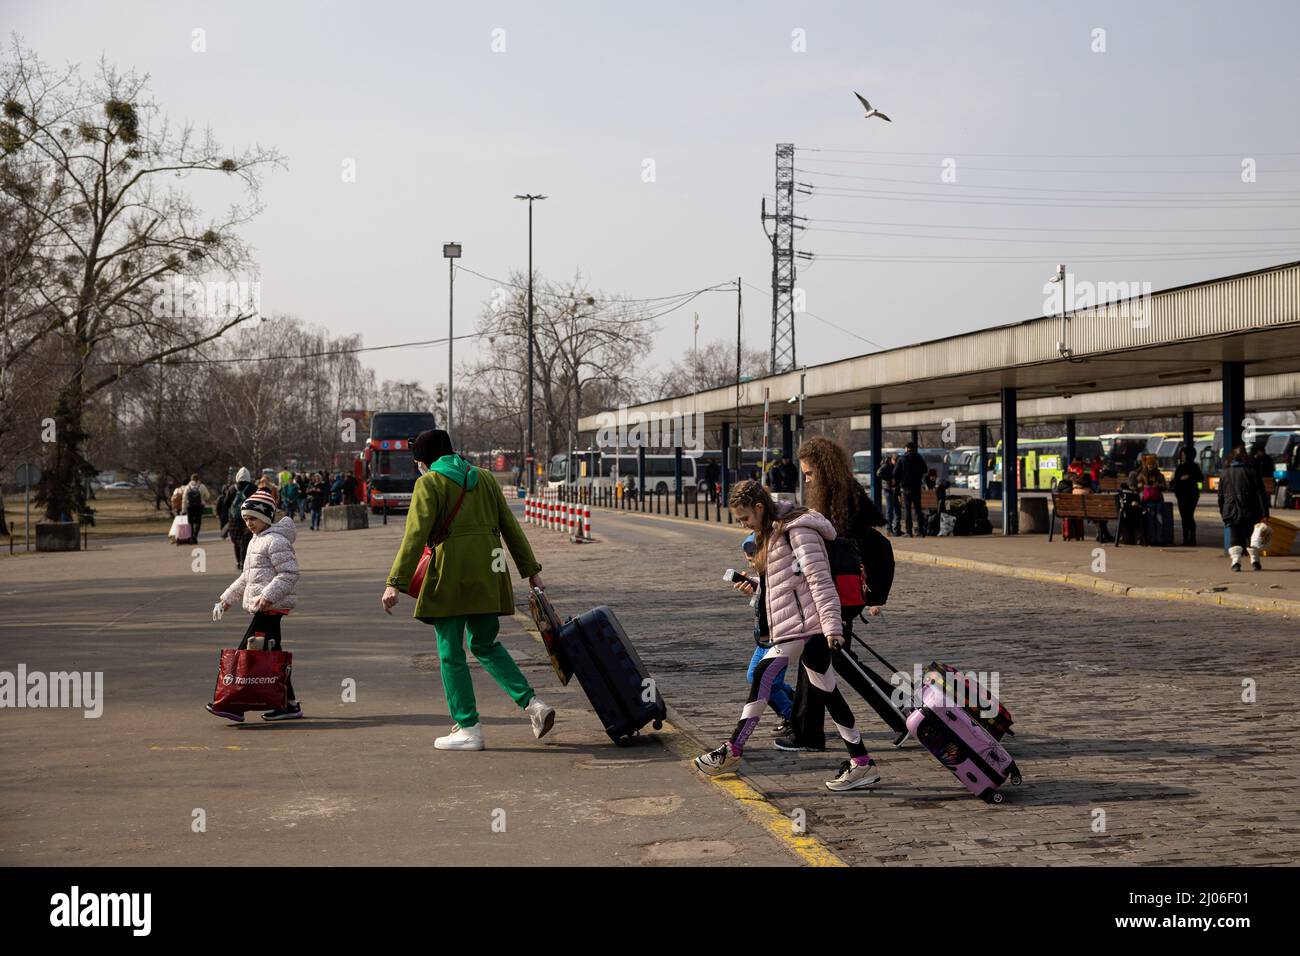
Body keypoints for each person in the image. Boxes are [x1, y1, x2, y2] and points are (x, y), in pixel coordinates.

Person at [694, 480, 880, 792]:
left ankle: (732, 750)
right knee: (828, 693)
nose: (743, 525)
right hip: (800, 625)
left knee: (764, 674)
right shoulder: (772, 533)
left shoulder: (798, 531)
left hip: (807, 626)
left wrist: (833, 627)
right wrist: (755, 586)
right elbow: (785, 583)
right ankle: (861, 762)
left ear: (758, 507)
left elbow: (819, 580)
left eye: (744, 518)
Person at [381, 429, 555, 750]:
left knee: (451, 653)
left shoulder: (429, 483)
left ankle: (468, 727)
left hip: (451, 573)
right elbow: (510, 527)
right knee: (486, 644)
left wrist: (396, 582)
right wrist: (531, 572)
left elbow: (415, 535)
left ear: (425, 460)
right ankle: (533, 705)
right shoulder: (486, 479)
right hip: (492, 570)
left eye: (419, 461)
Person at [779, 437, 902, 752]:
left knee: (829, 657)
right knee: (825, 658)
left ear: (822, 469)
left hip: (839, 591)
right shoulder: (841, 492)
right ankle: (808, 731)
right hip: (837, 590)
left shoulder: (842, 496)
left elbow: (841, 546)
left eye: (808, 474)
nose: (806, 480)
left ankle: (903, 715)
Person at [207, 487, 302, 722]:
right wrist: (226, 599)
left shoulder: (275, 541)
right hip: (263, 607)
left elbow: (289, 573)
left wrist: (268, 595)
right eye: (246, 518)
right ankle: (289, 704)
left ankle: (234, 703)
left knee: (248, 653)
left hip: (269, 608)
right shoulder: (255, 540)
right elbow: (246, 578)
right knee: (271, 656)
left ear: (266, 517)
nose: (249, 523)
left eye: (253, 518)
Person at [738, 533, 796, 736]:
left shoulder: (781, 572)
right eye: (749, 560)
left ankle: (792, 716)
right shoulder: (765, 576)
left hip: (779, 637)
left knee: (763, 679)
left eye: (754, 558)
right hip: (764, 640)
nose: (752, 563)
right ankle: (797, 700)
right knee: (760, 678)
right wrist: (753, 587)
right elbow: (764, 590)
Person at [1219, 444, 1269, 571]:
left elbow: (1221, 496)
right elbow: (1261, 494)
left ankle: (1236, 563)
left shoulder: (1225, 473)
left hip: (1231, 510)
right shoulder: (1252, 471)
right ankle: (1255, 562)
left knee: (1235, 537)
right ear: (1245, 456)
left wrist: (1223, 512)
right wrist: (1264, 513)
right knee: (1252, 538)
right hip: (1251, 510)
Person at [1171, 446, 1205, 546]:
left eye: (1184, 454)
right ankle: (1186, 538)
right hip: (1181, 495)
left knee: (1188, 516)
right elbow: (1176, 480)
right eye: (1181, 454)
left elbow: (1200, 478)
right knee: (1184, 517)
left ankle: (1192, 538)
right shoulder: (1180, 467)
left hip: (1191, 494)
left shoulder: (1194, 466)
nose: (1182, 456)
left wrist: (1189, 476)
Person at [225, 468, 256, 570]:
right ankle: (244, 562)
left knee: (236, 541)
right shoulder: (253, 488)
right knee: (246, 541)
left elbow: (226, 504)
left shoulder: (231, 489)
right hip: (248, 518)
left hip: (233, 519)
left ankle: (238, 562)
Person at [894, 442, 927, 537]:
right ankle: (921, 531)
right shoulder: (919, 457)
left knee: (907, 510)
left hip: (906, 488)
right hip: (916, 487)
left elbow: (895, 473)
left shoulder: (902, 458)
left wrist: (901, 479)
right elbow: (925, 469)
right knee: (918, 509)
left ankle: (909, 531)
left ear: (907, 448)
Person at [1136, 454, 1168, 546]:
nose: (1151, 466)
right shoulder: (1142, 474)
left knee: (1159, 519)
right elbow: (1136, 486)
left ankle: (1159, 539)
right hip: (1147, 500)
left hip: (1158, 499)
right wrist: (1144, 486)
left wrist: (1158, 485)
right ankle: (1151, 539)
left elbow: (1165, 487)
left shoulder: (1159, 475)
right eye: (1149, 464)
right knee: (1150, 519)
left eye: (1153, 464)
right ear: (1146, 465)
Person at [181, 473, 210, 544]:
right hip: (199, 506)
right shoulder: (202, 486)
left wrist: (183, 510)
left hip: (189, 507)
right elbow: (207, 496)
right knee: (198, 522)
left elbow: (184, 499)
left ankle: (191, 537)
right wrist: (203, 498)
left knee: (190, 522)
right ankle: (195, 536)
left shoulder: (188, 487)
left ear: (191, 479)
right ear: (198, 479)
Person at [876, 453, 900, 535]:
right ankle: (889, 529)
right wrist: (889, 479)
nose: (896, 463)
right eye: (895, 462)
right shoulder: (886, 465)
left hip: (893, 489)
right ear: (892, 460)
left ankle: (896, 529)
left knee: (896, 509)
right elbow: (878, 473)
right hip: (888, 488)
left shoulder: (894, 465)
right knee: (889, 509)